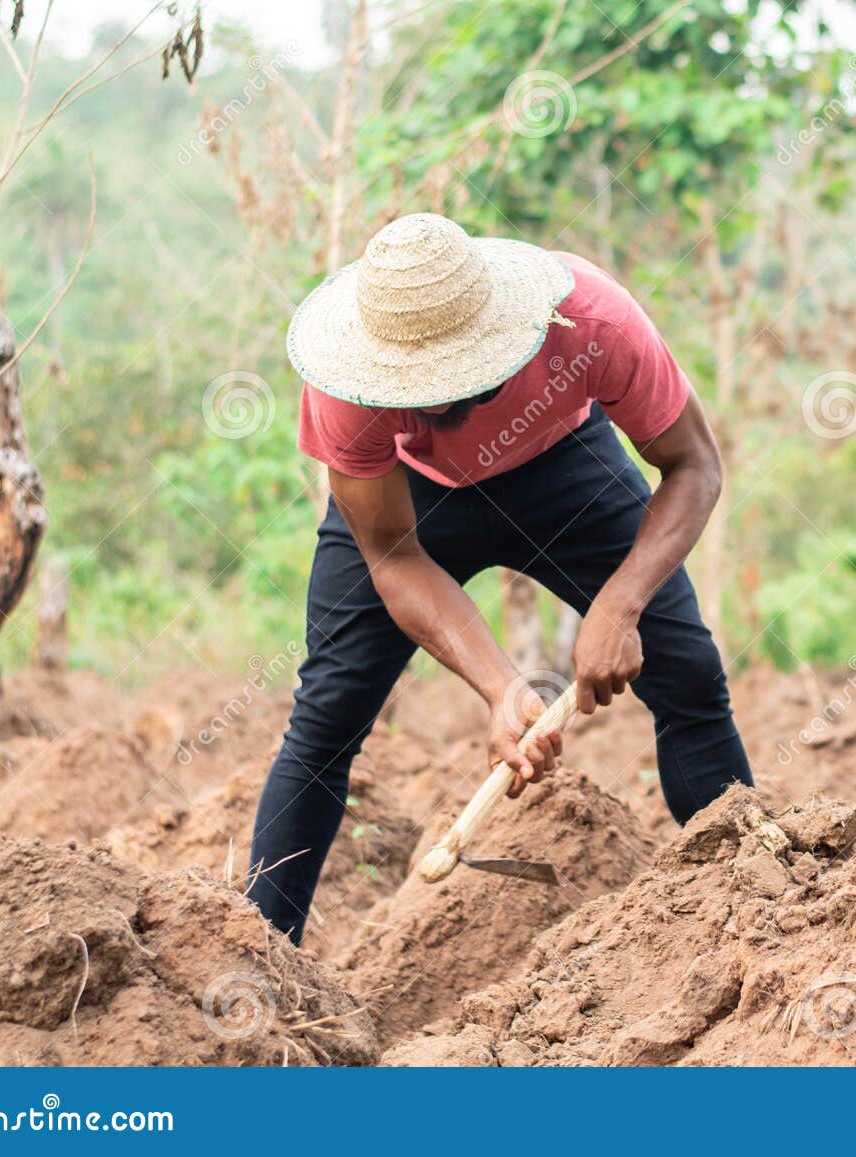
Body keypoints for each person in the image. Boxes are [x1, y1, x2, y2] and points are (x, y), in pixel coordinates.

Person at [245, 212, 753, 943]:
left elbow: (695, 464)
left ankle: (758, 905)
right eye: (414, 392)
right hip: (408, 504)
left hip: (563, 462)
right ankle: (260, 953)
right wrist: (503, 688)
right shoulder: (345, 385)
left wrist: (621, 603)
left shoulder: (589, 318)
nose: (438, 406)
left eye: (461, 383)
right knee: (327, 714)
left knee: (689, 673)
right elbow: (391, 552)